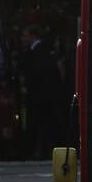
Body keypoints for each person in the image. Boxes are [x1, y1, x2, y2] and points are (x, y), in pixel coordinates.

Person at [20, 25, 63, 160]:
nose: (23, 39)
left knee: (38, 123)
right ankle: (45, 149)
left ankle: (38, 151)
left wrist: (27, 88)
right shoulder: (48, 50)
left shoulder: (35, 53)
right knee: (47, 123)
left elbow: (35, 74)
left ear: (33, 36)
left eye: (25, 36)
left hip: (38, 96)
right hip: (48, 95)